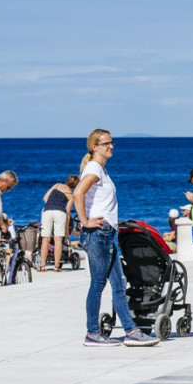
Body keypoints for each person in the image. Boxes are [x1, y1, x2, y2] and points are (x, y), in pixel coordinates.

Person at [74, 129, 158, 346]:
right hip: (97, 234)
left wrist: (112, 221)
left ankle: (131, 332)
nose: (111, 146)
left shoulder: (101, 168)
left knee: (119, 284)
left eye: (112, 143)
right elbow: (77, 193)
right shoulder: (94, 168)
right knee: (98, 284)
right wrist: (85, 221)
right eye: (105, 144)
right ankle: (92, 334)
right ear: (94, 147)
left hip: (106, 234)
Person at [38, 175, 77, 271]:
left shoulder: (57, 185)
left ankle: (42, 266)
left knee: (45, 240)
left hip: (47, 211)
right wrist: (67, 228)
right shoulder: (71, 195)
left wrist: (52, 204)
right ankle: (56, 266)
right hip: (60, 213)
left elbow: (45, 198)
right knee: (58, 240)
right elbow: (68, 212)